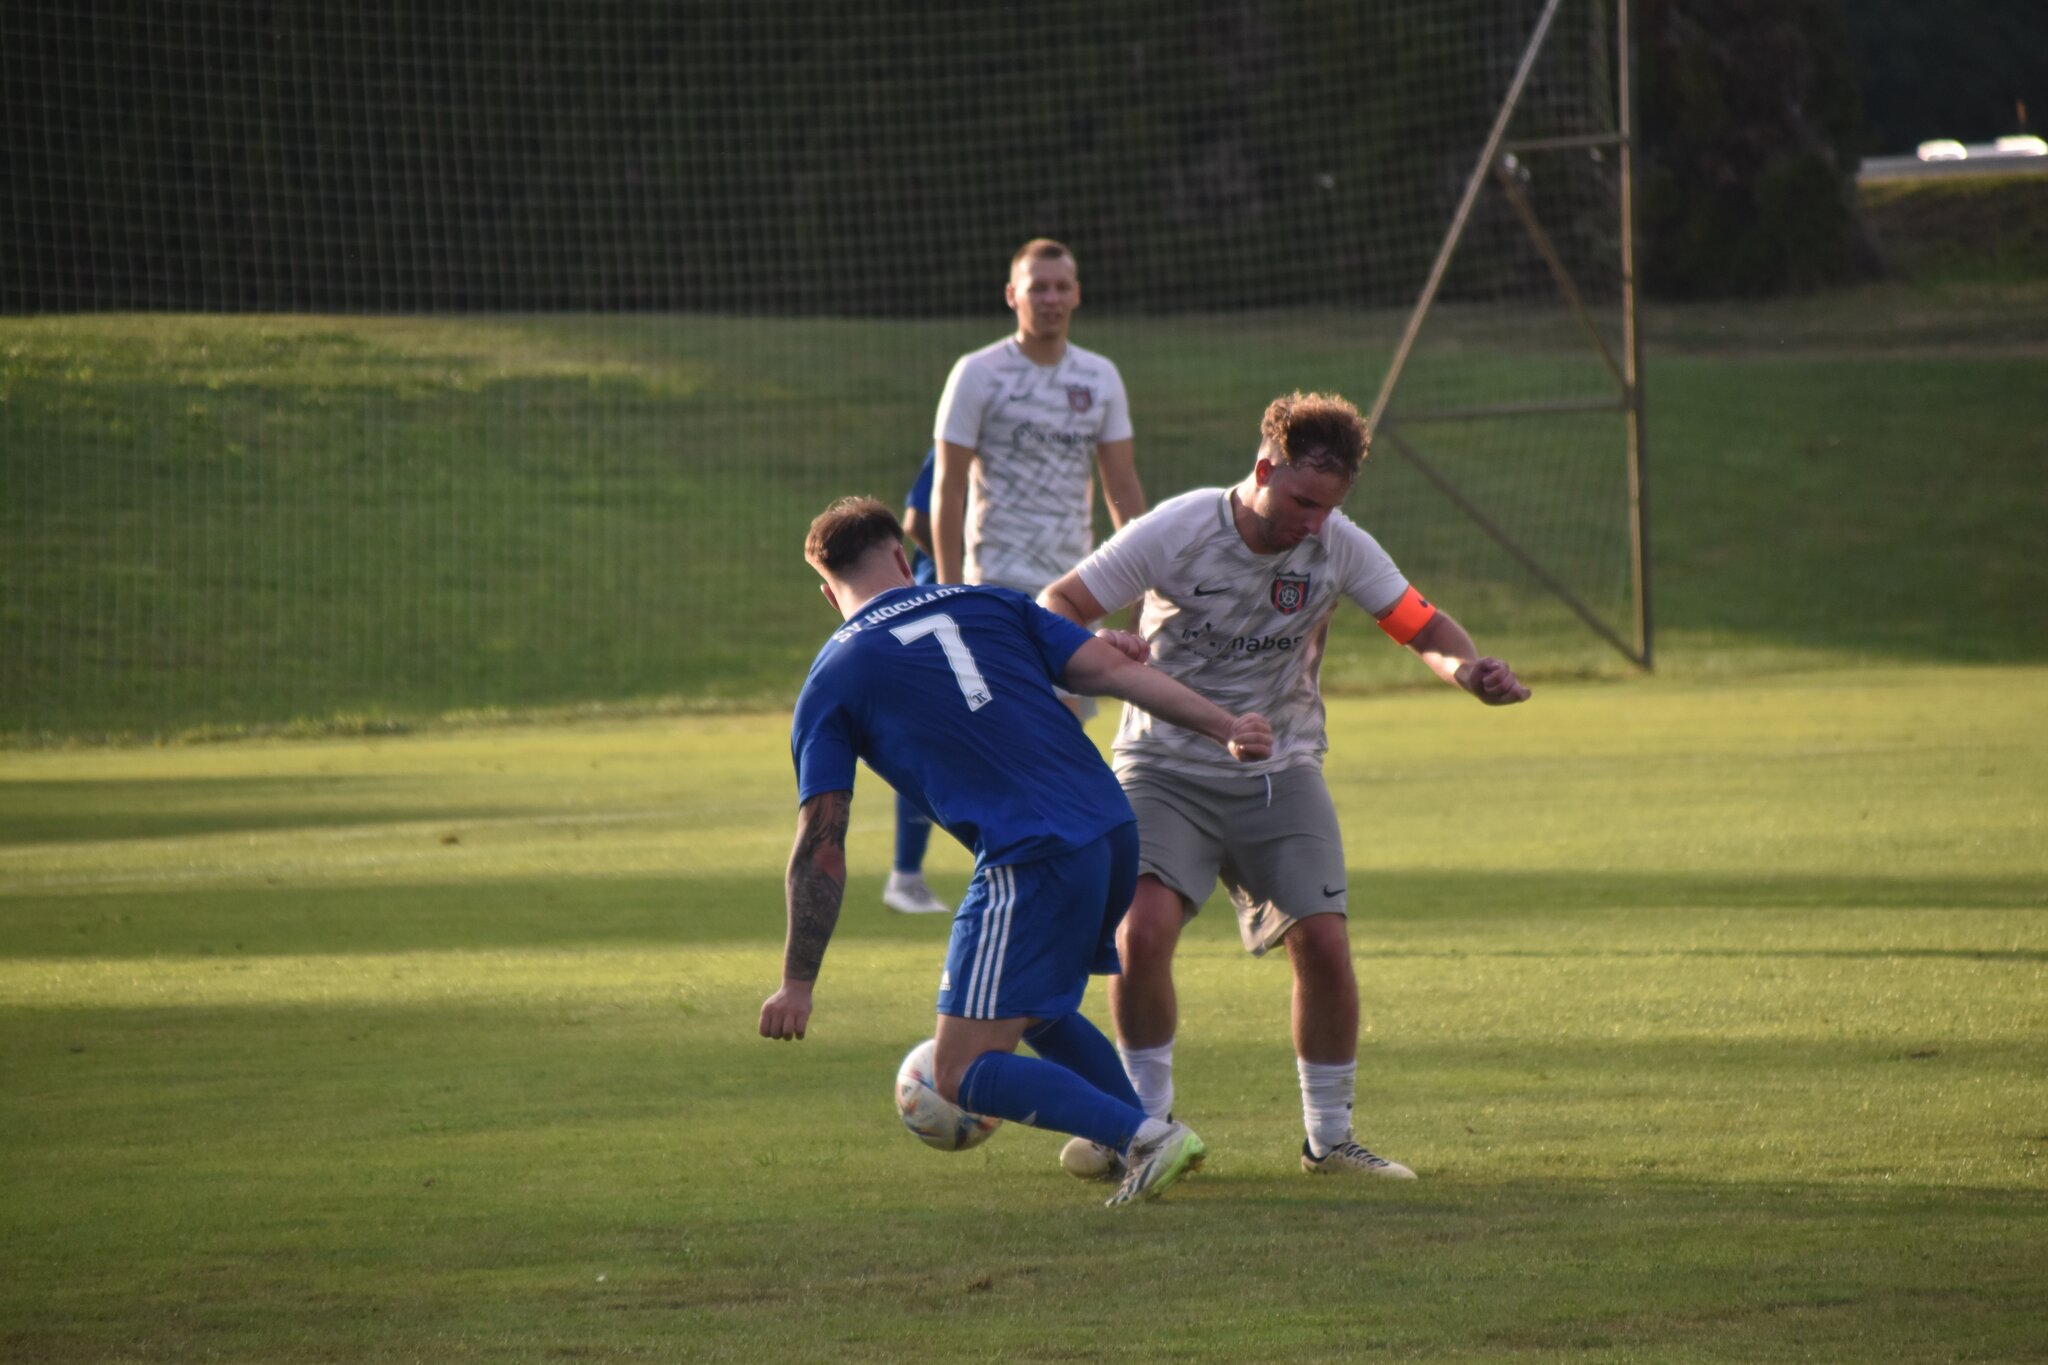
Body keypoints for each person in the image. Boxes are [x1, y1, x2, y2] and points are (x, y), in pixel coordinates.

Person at [1038, 392, 1531, 1182]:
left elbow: (1422, 625)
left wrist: (1467, 670)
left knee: (1326, 943)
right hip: (1162, 766)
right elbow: (1057, 603)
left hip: (1282, 767)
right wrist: (1095, 637)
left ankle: (1329, 1142)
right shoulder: (1180, 527)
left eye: (1328, 506)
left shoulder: (1337, 544)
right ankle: (1141, 1127)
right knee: (1141, 934)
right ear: (1264, 468)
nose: (1312, 522)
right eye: (1301, 500)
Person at [762, 496, 1275, 1208]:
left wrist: (798, 981)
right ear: (900, 559)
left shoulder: (832, 676)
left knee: (960, 1070)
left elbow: (822, 842)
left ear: (828, 591)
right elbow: (1116, 672)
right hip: (1110, 829)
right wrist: (1225, 725)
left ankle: (1143, 1139)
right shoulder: (988, 602)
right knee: (1034, 1009)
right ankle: (1145, 1126)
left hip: (1030, 854)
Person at [931, 238, 1145, 607]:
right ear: (1012, 295)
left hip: (1073, 589)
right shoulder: (977, 373)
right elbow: (948, 487)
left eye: (1062, 288)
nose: (1051, 299)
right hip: (994, 586)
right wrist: (950, 594)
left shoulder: (1100, 376)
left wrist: (1143, 587)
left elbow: (1122, 487)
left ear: (1076, 295)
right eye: (1038, 288)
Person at [881, 447, 949, 915]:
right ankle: (905, 876)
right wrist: (955, 576)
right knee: (932, 737)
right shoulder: (959, 440)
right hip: (944, 612)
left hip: (1014, 598)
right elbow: (916, 519)